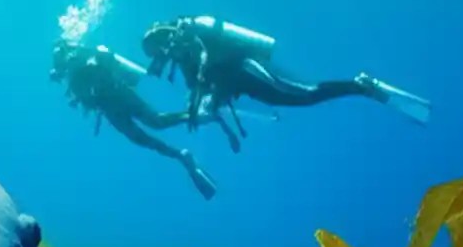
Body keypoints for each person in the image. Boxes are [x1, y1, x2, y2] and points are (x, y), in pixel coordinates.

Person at [140, 15, 431, 150]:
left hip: (249, 68)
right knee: (303, 100)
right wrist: (207, 111)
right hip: (244, 86)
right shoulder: (183, 61)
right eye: (156, 53)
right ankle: (359, 87)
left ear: (164, 35)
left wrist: (199, 98)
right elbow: (202, 86)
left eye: (159, 47)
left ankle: (361, 85)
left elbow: (206, 59)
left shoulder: (190, 33)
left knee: (303, 91)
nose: (162, 54)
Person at [52, 40, 220, 200]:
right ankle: (195, 121)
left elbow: (89, 101)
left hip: (113, 108)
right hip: (120, 96)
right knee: (155, 123)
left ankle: (181, 152)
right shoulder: (83, 62)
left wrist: (79, 98)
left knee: (146, 138)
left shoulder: (75, 73)